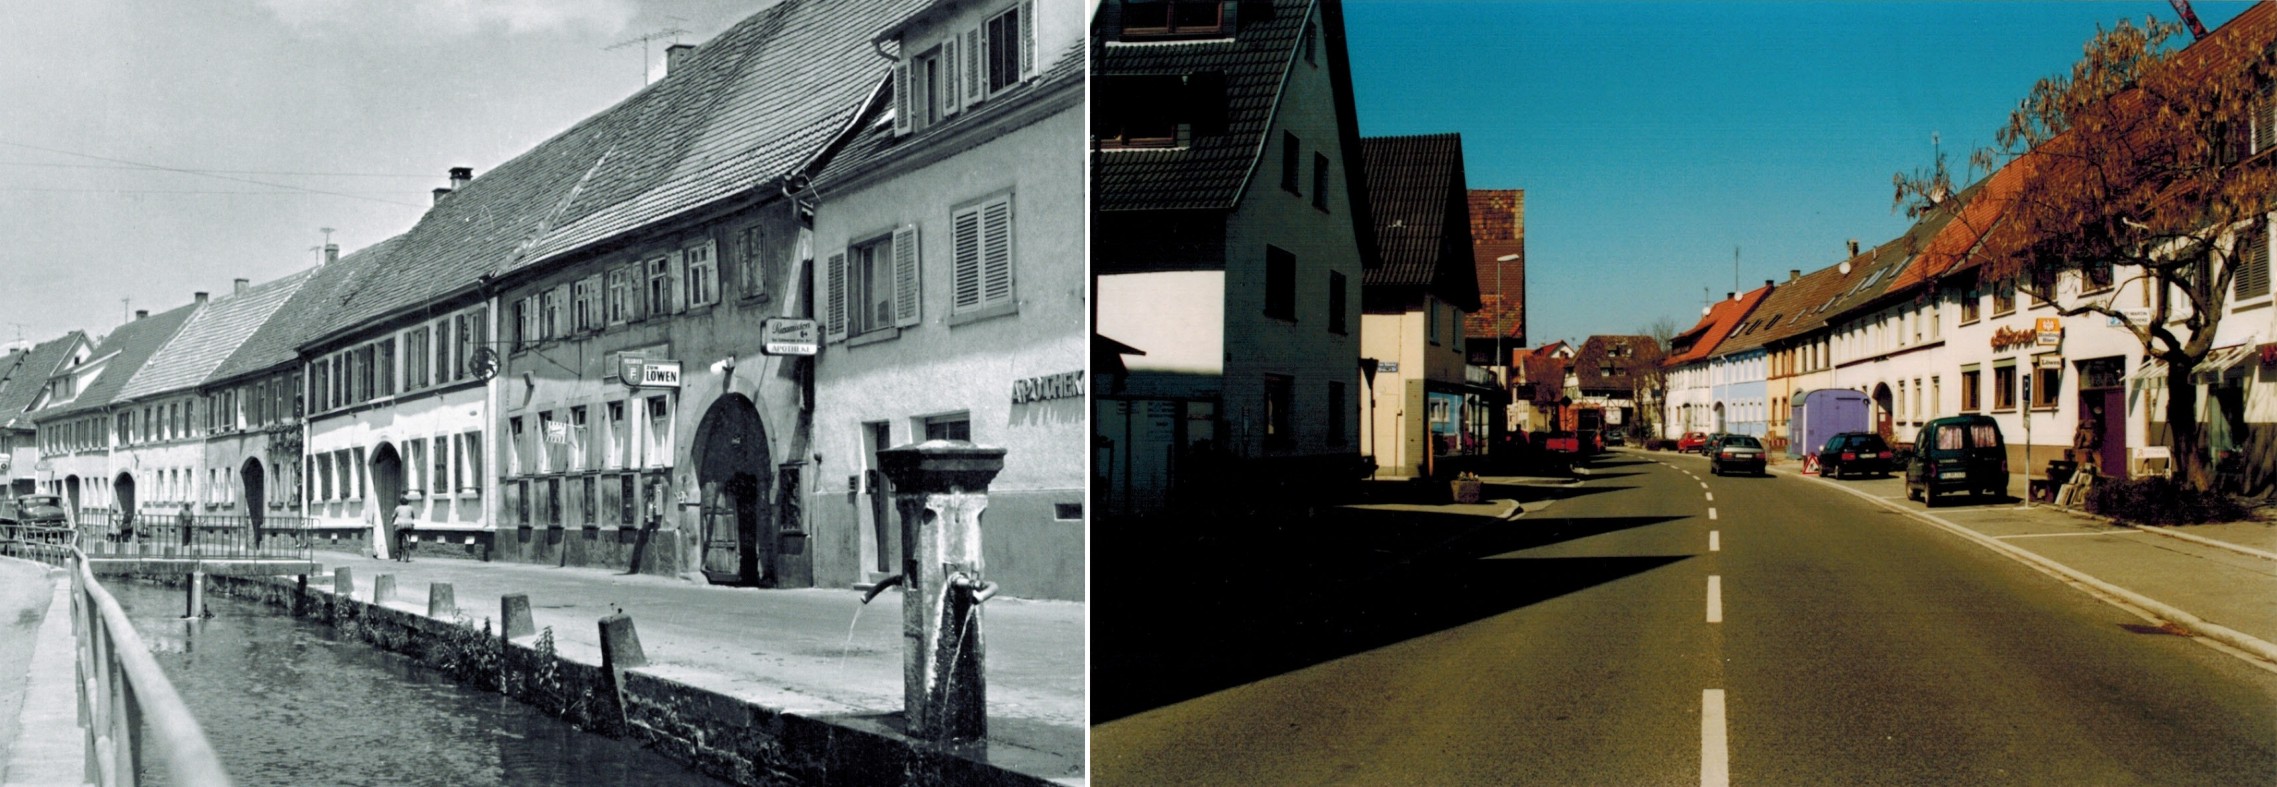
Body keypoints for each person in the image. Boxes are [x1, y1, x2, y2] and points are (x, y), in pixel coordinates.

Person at [392, 493, 418, 563]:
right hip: (409, 524)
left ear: (400, 502)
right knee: (409, 534)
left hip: (400, 525)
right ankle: (408, 542)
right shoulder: (410, 508)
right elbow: (413, 516)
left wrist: (392, 521)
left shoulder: (398, 508)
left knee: (398, 538)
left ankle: (399, 551)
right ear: (407, 502)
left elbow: (393, 516)